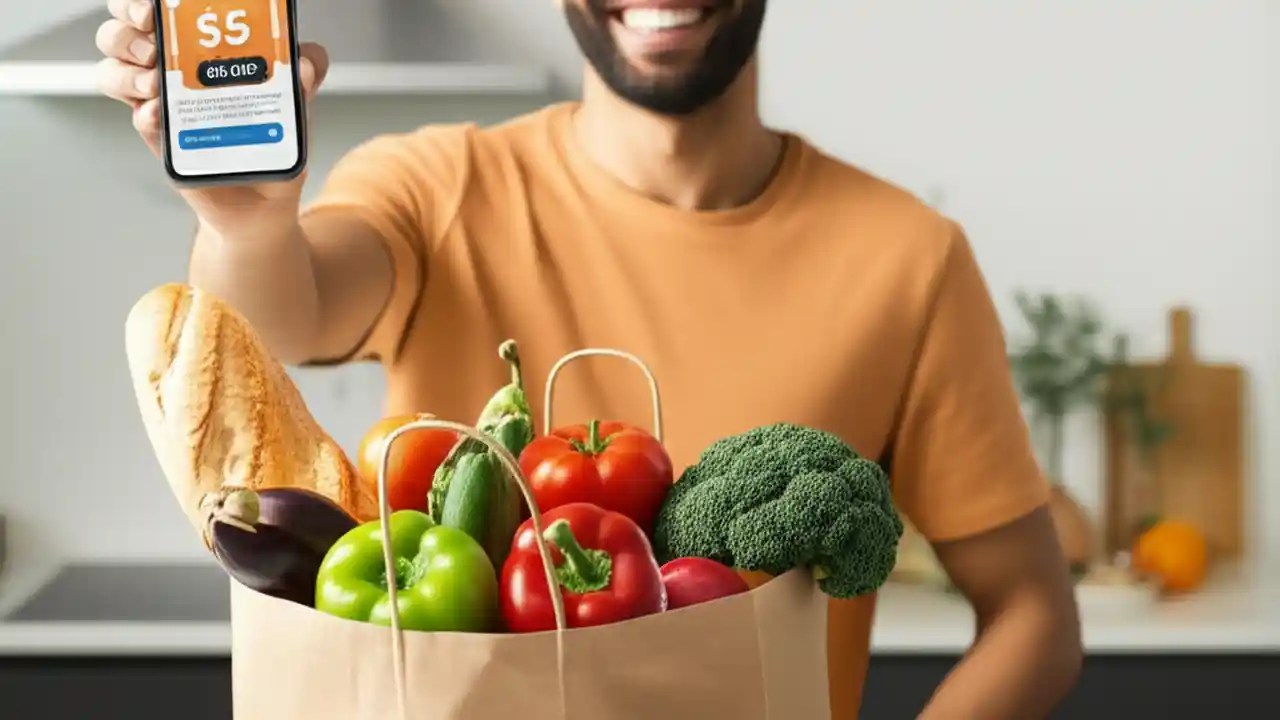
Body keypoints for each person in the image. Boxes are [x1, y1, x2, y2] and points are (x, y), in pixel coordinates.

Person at [94, 0, 1082, 716]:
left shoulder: (905, 256)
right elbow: (286, 317)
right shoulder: (438, 184)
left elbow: (1032, 612)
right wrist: (247, 218)